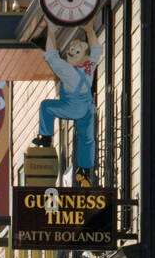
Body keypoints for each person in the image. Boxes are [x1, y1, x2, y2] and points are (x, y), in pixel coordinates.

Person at [32, 24, 103, 185]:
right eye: (72, 48)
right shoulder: (89, 67)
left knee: (46, 106)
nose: (71, 51)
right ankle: (84, 171)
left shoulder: (69, 71)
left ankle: (46, 137)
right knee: (86, 138)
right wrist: (90, 30)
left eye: (76, 51)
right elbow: (97, 50)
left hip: (73, 107)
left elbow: (52, 56)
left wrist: (50, 31)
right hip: (87, 109)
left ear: (83, 56)